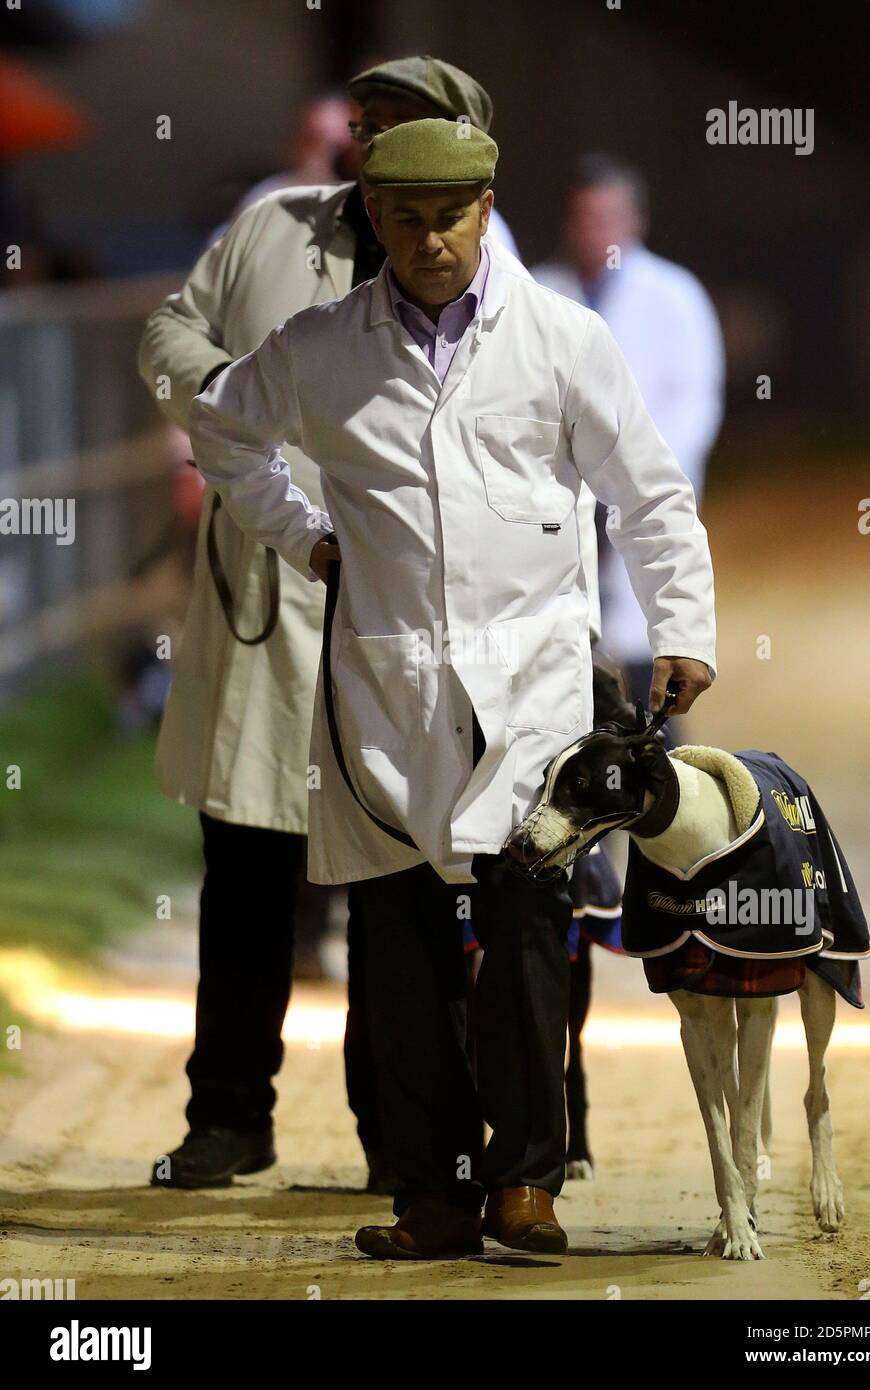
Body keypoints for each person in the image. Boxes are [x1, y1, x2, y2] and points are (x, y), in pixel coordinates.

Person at [187, 119, 717, 1259]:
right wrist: (304, 536)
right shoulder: (320, 347)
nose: (431, 242)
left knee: (530, 935)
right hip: (387, 692)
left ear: (487, 207)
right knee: (404, 950)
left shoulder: (563, 341)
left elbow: (651, 493)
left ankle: (526, 1182)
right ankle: (431, 1194)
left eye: (452, 216)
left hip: (531, 691)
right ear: (373, 217)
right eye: (407, 219)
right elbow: (223, 432)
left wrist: (684, 629)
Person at [138, 56, 602, 1193]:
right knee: (245, 874)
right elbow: (169, 336)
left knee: (402, 892)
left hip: (398, 621)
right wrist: (247, 402)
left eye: (404, 126)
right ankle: (229, 1114)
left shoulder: (496, 282)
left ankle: (404, 1138)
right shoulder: (268, 231)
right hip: (267, 595)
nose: (372, 140)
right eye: (367, 122)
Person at [533, 155, 724, 730]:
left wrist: (634, 484)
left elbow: (695, 402)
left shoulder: (675, 294)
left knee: (650, 682)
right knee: (573, 676)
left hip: (637, 500)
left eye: (608, 217)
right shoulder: (541, 291)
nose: (596, 232)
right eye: (584, 218)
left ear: (634, 221)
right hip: (561, 508)